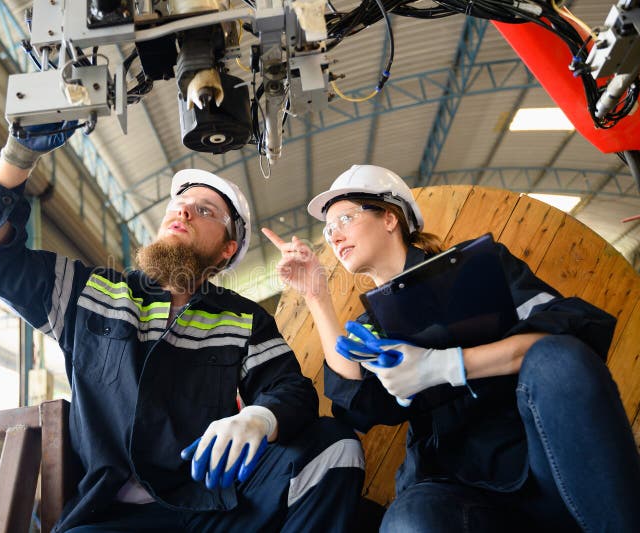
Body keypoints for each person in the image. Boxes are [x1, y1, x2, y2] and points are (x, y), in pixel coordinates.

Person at [0, 124, 365, 532]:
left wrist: (259, 417)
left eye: (205, 210)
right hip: (111, 517)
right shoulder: (92, 294)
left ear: (227, 250)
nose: (183, 211)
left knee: (335, 448)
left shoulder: (242, 318)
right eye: (179, 203)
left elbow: (291, 390)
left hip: (211, 506)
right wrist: (17, 156)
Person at [263, 164, 640, 531]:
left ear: (390, 217)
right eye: (328, 232)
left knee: (557, 359)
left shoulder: (477, 268)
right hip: (458, 492)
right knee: (408, 522)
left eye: (344, 219)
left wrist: (446, 365)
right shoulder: (370, 327)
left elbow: (568, 338)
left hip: (547, 454)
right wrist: (316, 295)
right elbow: (357, 402)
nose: (335, 237)